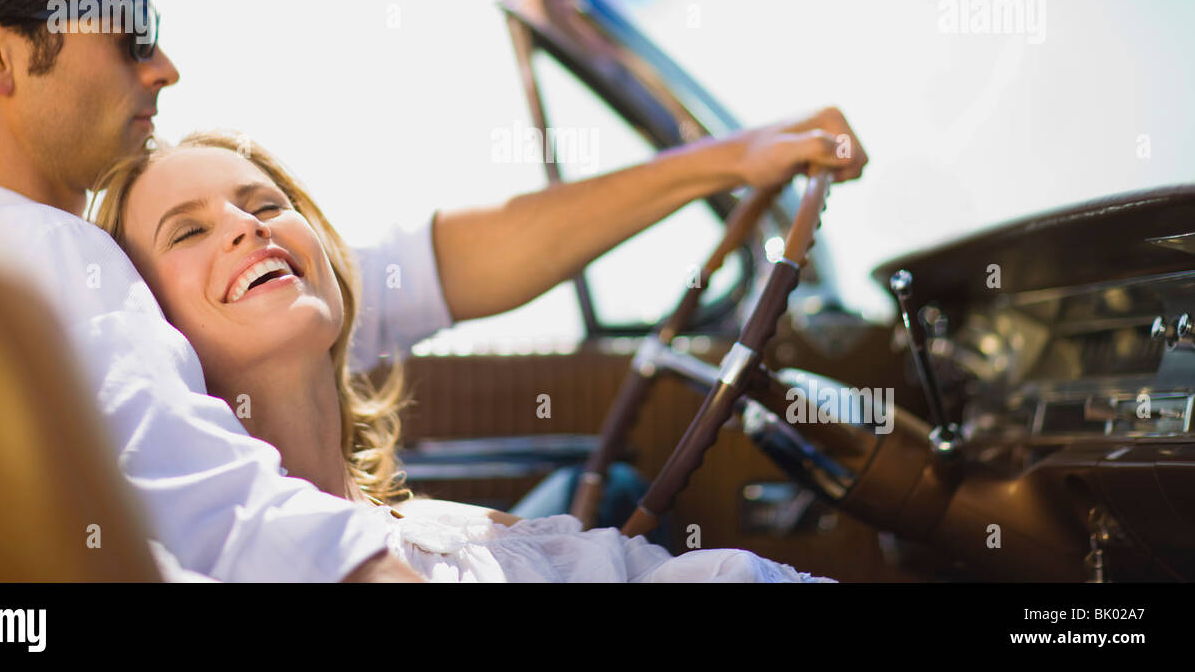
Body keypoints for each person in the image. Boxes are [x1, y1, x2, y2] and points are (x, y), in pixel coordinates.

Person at [0, 0, 867, 581]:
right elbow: (237, 525)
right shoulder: (32, 267)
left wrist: (726, 158)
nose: (164, 68)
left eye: (265, 208)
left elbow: (429, 265)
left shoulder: (69, 271)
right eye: (132, 33)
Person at [90, 130, 835, 582]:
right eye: (186, 233)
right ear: (146, 324)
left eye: (264, 206)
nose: (243, 227)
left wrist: (739, 156)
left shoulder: (453, 532)